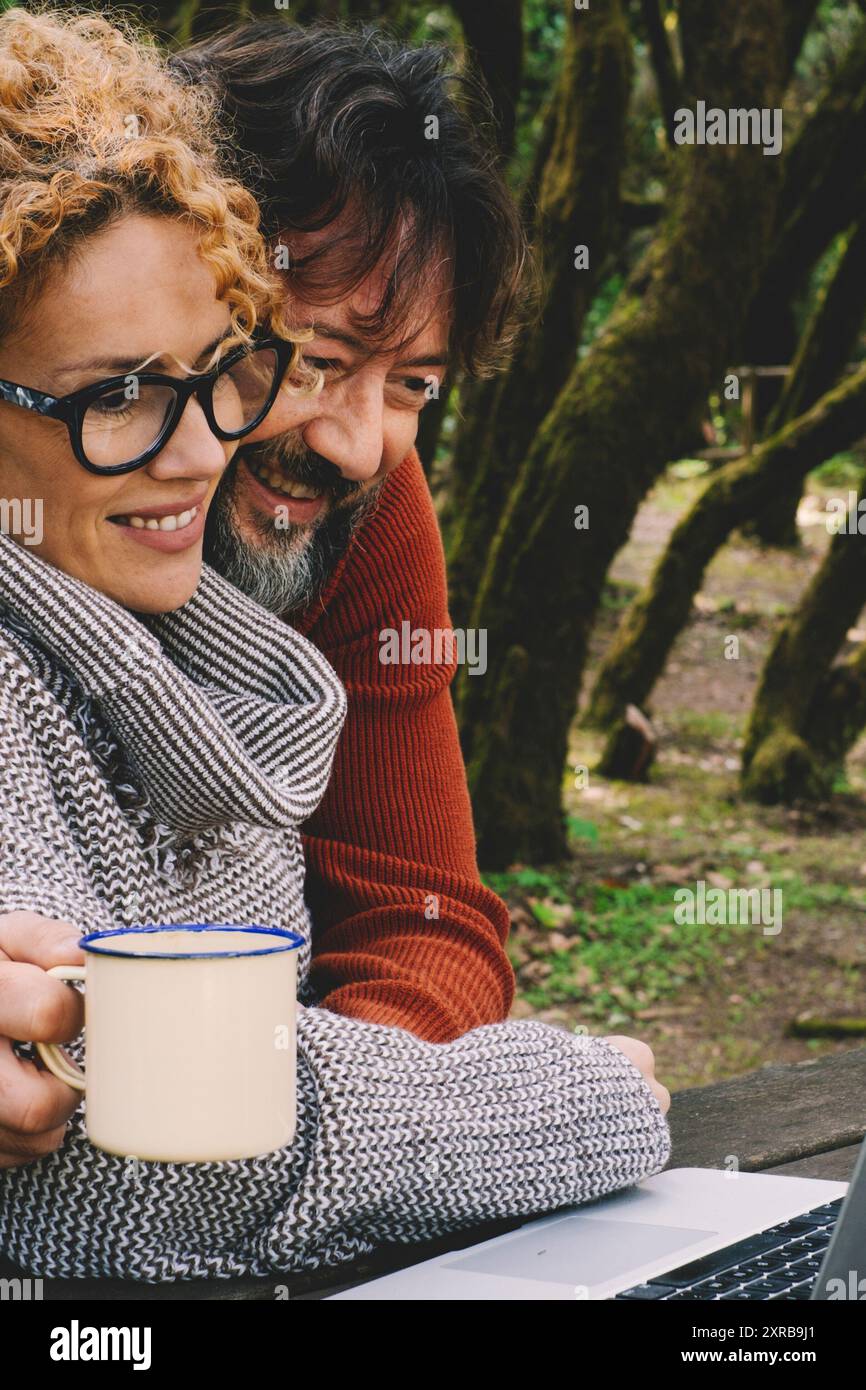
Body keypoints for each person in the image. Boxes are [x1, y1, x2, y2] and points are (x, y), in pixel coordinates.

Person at [0, 8, 669, 1283]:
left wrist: (328, 1129)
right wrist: (453, 1122)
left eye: (413, 383)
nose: (360, 439)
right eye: (315, 359)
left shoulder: (348, 506)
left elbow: (424, 913)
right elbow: (115, 1131)